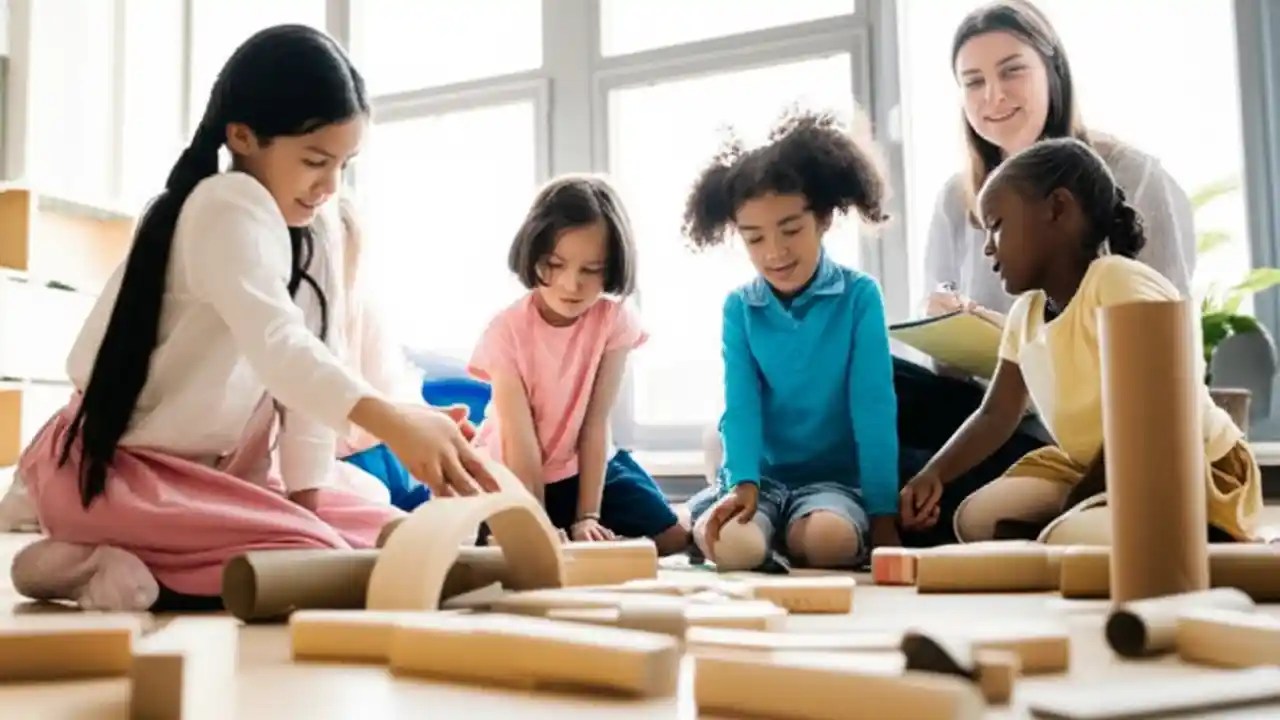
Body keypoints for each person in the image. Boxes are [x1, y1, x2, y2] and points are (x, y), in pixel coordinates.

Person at [10, 25, 496, 613]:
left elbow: (309, 387)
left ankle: (158, 561)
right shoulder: (224, 207)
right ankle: (73, 561)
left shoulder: (313, 232)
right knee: (312, 553)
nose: (329, 185)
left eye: (344, 164)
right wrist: (390, 426)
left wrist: (306, 501)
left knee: (383, 529)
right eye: (315, 161)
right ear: (242, 136)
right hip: (124, 475)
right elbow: (282, 348)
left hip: (220, 476)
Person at [894, 0, 1197, 544]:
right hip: (1003, 413)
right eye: (973, 82)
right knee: (885, 385)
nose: (994, 96)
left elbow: (1166, 351)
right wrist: (954, 325)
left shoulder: (1132, 180)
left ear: (1053, 72)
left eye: (1012, 70)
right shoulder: (953, 198)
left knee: (995, 500)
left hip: (1110, 423)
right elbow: (982, 402)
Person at [900, 137, 1262, 545]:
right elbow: (996, 415)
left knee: (1064, 535)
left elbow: (1155, 409)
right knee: (976, 520)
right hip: (1090, 466)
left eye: (997, 225)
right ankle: (1096, 524)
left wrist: (1082, 498)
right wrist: (933, 473)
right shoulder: (1025, 315)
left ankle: (1176, 530)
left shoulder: (1118, 282)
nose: (987, 247)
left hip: (1180, 463)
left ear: (1057, 208)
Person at [683, 108, 900, 572]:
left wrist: (884, 515)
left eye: (791, 230)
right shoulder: (739, 309)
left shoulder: (860, 296)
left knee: (828, 543)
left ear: (822, 219)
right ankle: (731, 527)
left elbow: (874, 409)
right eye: (754, 238)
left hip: (832, 486)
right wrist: (742, 482)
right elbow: (740, 407)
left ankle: (779, 538)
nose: (774, 252)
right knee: (734, 548)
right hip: (759, 480)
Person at [468, 175, 689, 555]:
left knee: (673, 541)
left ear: (612, 267)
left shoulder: (614, 320)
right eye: (555, 264)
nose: (571, 285)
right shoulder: (505, 331)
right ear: (533, 252)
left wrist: (588, 514)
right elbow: (518, 439)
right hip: (514, 470)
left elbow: (595, 422)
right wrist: (536, 519)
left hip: (583, 465)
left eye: (591, 270)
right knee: (506, 551)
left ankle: (699, 508)